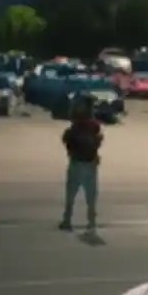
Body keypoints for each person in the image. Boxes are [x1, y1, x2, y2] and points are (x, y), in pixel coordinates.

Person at [60, 97, 103, 232]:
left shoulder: (75, 126)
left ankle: (67, 220)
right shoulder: (94, 126)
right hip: (90, 162)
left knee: (71, 193)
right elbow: (98, 141)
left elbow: (67, 140)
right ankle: (91, 221)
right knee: (91, 195)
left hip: (76, 162)